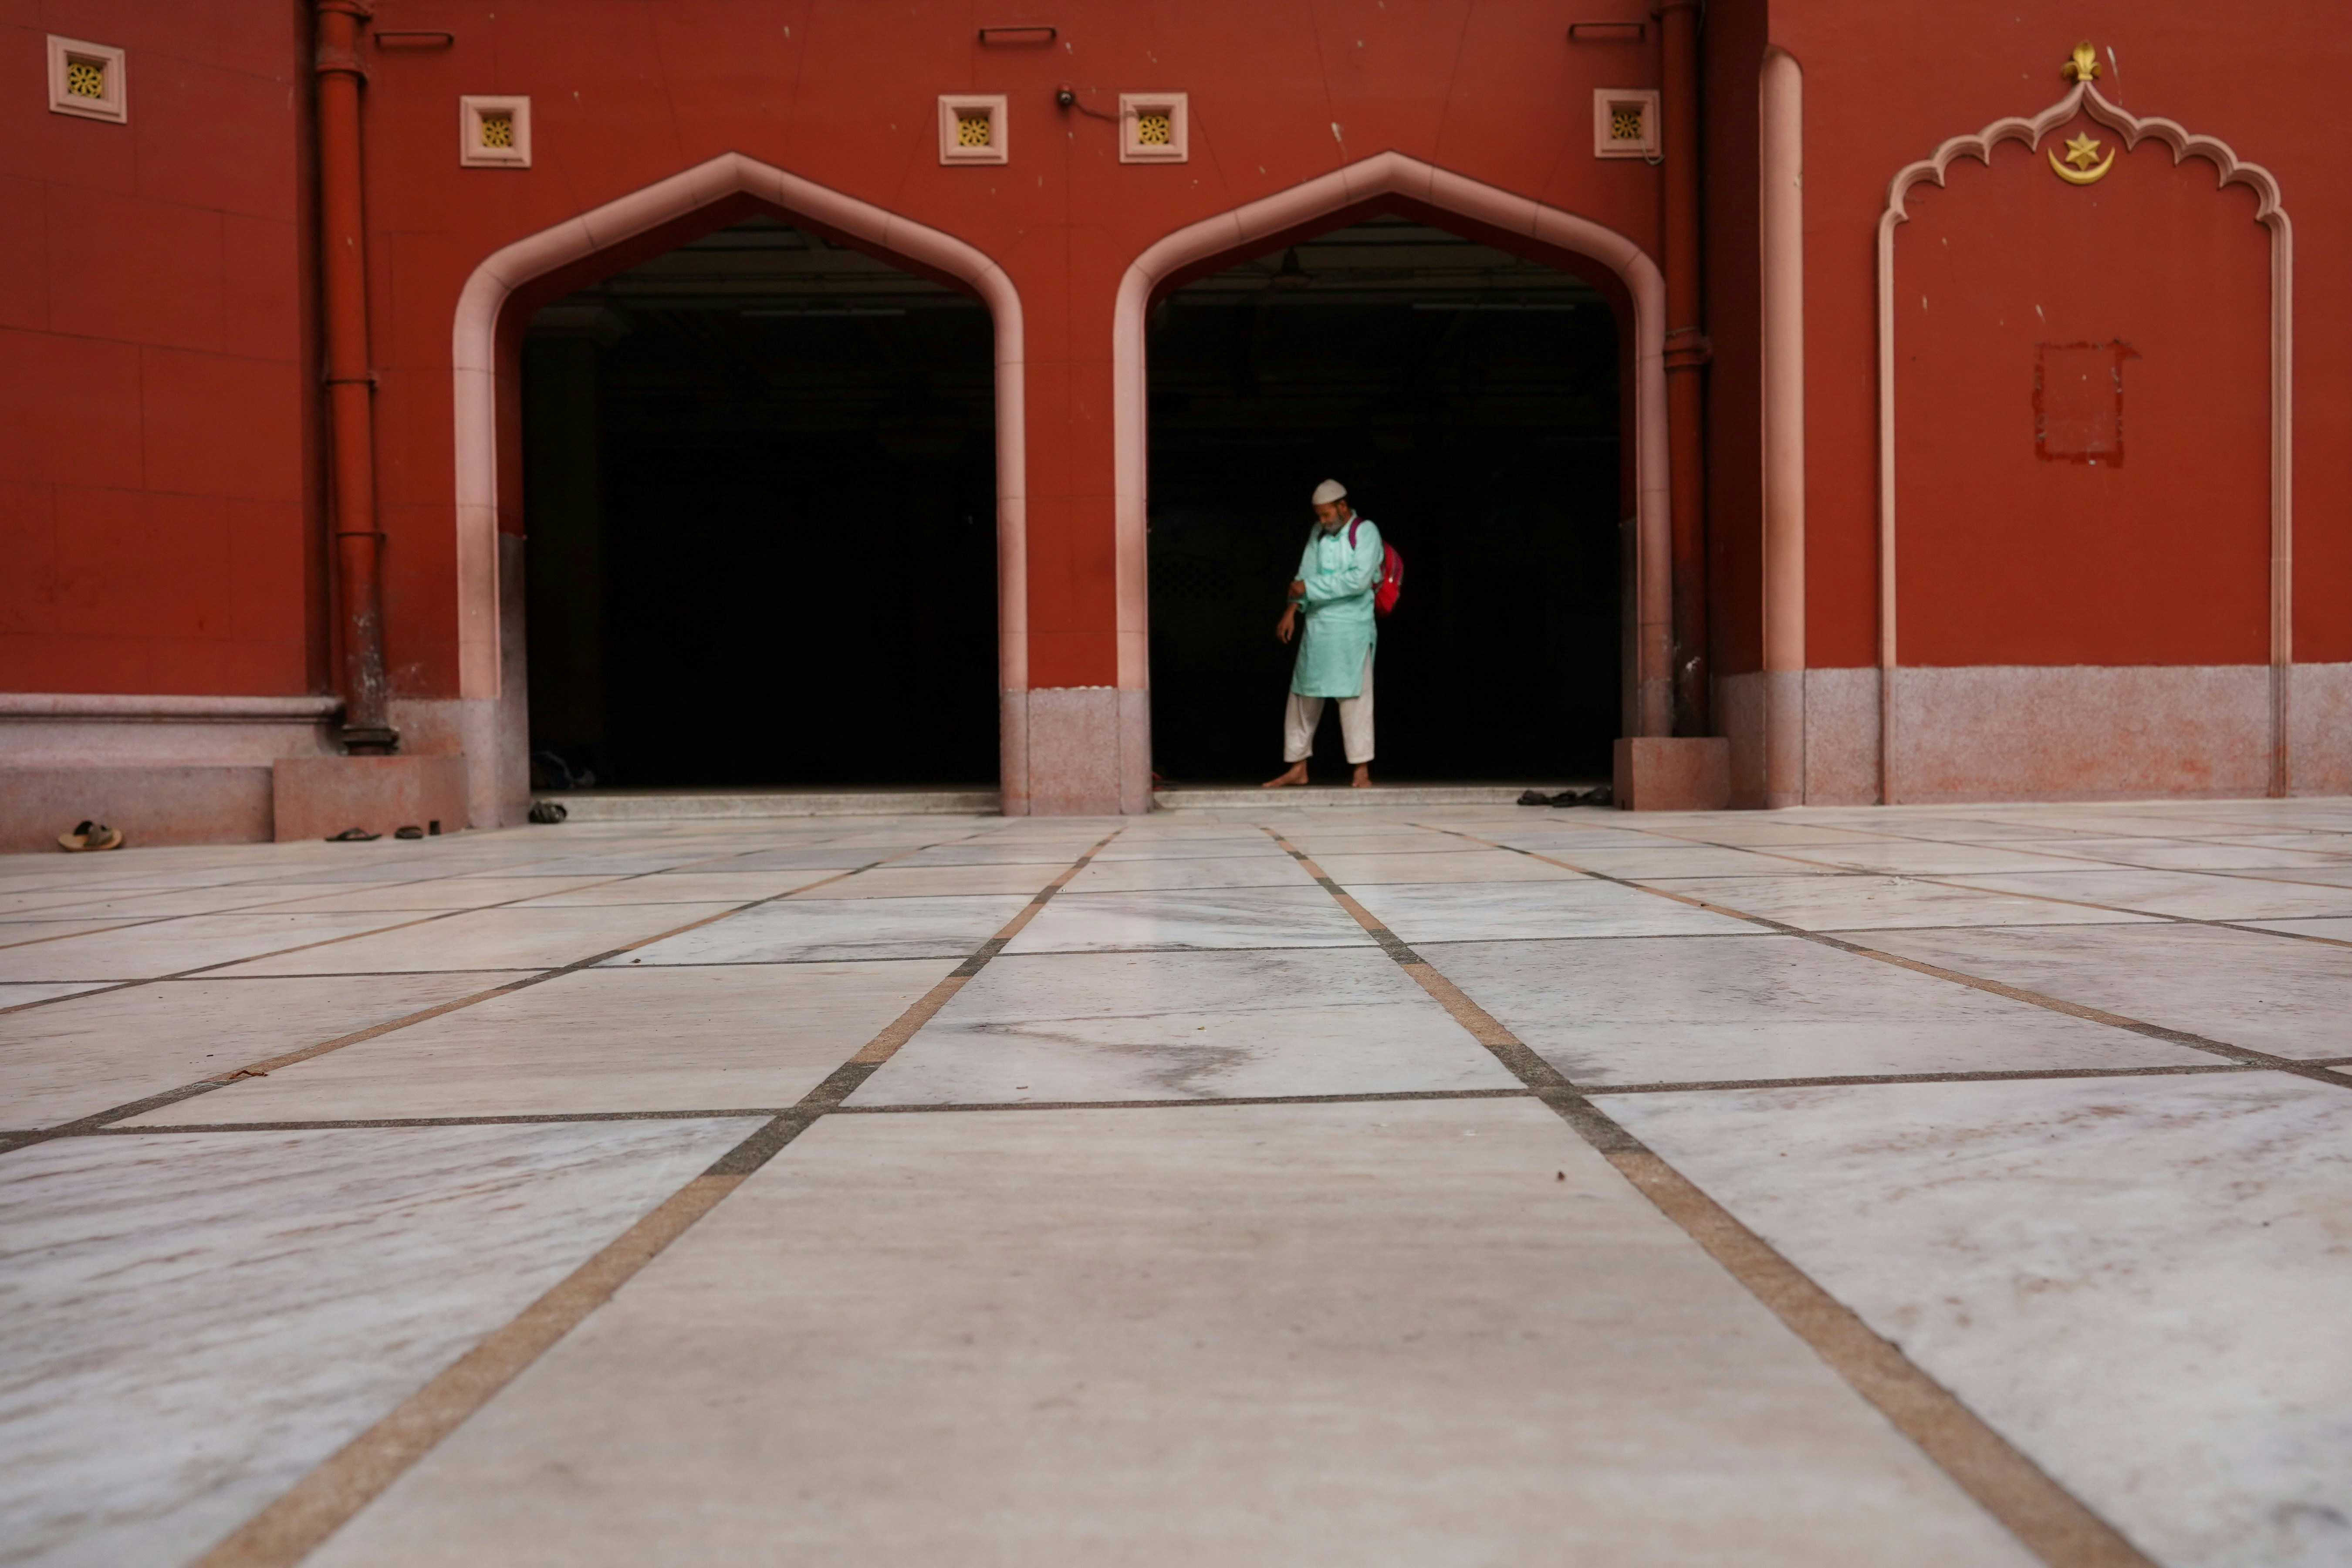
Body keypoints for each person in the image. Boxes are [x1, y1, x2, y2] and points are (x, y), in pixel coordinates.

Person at [1264, 479, 1382, 788]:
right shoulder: (1319, 532)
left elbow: (1358, 580)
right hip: (1318, 626)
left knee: (1355, 698)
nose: (1323, 520)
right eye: (1319, 515)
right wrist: (1292, 610)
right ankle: (1298, 767)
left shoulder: (1365, 531)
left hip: (1352, 627)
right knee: (1303, 695)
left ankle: (1361, 771)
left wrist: (1310, 588)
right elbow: (1305, 573)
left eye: (1327, 514)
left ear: (1343, 507)